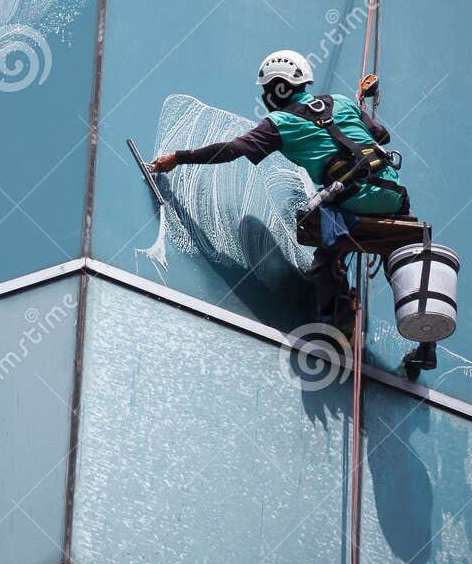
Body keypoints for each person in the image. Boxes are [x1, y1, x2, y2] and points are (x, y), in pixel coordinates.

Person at [150, 50, 435, 366]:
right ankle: (426, 345)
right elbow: (381, 135)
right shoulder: (341, 101)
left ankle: (341, 320)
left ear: (278, 88)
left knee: (324, 257)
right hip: (393, 197)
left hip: (352, 203)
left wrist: (178, 158)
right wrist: (356, 111)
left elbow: (231, 150)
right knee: (400, 258)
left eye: (266, 90)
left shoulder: (280, 122)